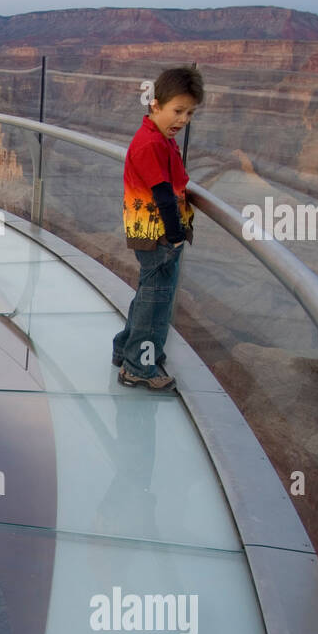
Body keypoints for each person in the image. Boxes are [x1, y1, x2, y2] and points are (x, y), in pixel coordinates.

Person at [112, 65, 203, 392]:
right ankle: (139, 367)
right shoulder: (150, 144)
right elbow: (163, 195)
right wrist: (177, 237)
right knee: (156, 302)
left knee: (149, 295)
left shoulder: (158, 137)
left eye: (190, 113)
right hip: (159, 235)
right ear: (155, 104)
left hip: (152, 233)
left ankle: (126, 348)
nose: (183, 120)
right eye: (177, 111)